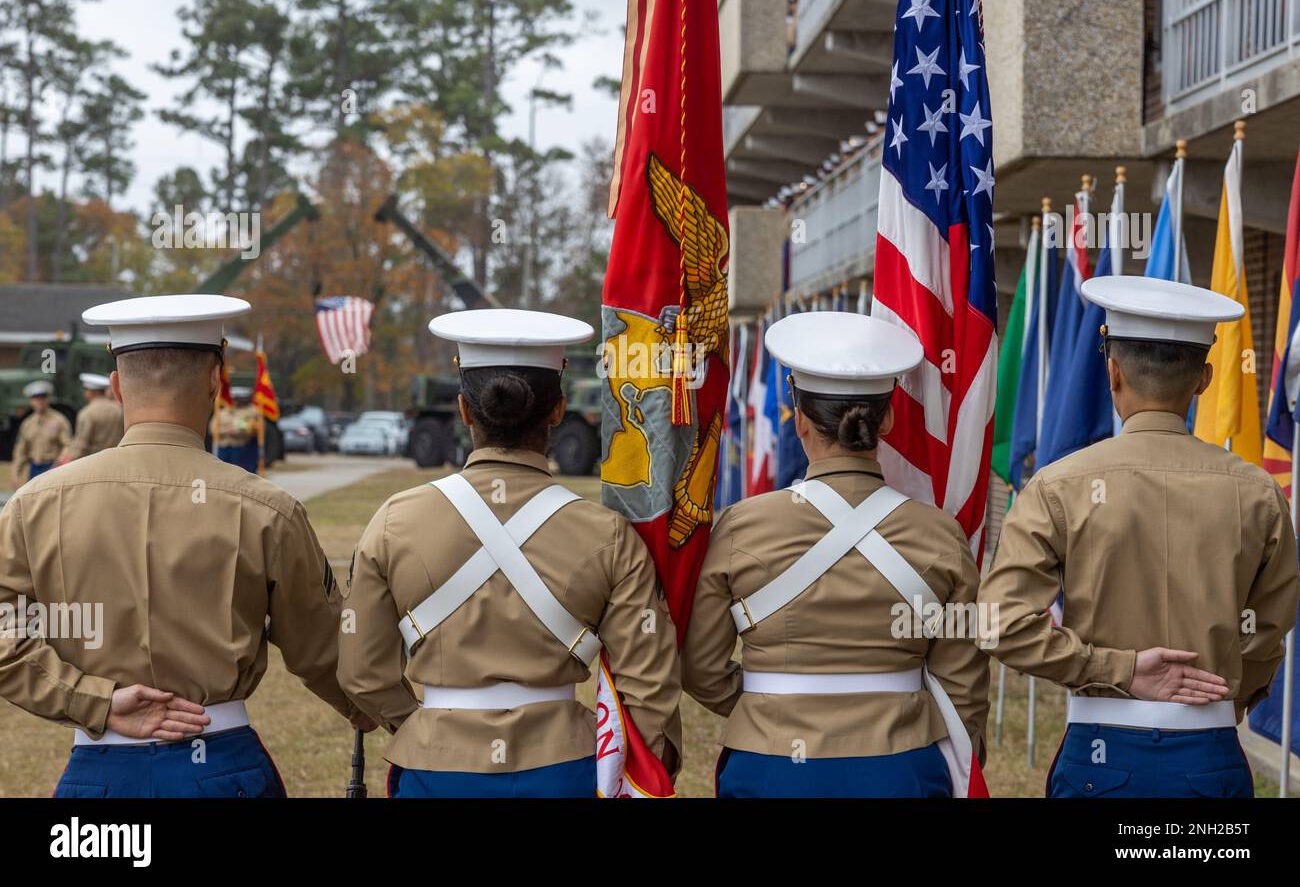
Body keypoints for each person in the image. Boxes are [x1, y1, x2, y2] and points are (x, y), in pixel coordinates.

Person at [0, 294, 369, 798]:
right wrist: (398, 715)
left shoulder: (33, 504)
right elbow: (325, 650)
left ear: (115, 387)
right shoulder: (266, 507)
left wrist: (96, 701)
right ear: (216, 382)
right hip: (222, 764)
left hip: (99, 773)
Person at [338, 308, 682, 797]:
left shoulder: (395, 520)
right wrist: (643, 766)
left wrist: (418, 728)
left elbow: (361, 672)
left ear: (463, 409)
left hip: (436, 770)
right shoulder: (608, 533)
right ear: (558, 410)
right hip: (566, 766)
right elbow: (649, 681)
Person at [979, 275, 1300, 798]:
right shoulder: (1259, 492)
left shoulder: (1059, 485)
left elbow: (998, 624)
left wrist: (1116, 670)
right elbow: (1269, 629)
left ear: (1112, 371)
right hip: (1210, 752)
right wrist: (1221, 698)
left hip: (1098, 754)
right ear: (1204, 379)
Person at [682, 311, 989, 797]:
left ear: (799, 419)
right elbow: (963, 685)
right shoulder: (940, 533)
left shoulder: (743, 525)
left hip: (771, 763)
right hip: (901, 765)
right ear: (886, 418)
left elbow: (700, 666)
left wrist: (771, 703)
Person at [11, 380, 70, 486]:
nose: (40, 401)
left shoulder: (59, 420)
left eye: (43, 398)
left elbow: (67, 445)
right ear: (30, 401)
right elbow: (21, 450)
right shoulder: (27, 424)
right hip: (34, 468)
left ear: (48, 399)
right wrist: (16, 472)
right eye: (36, 398)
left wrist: (60, 462)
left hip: (52, 467)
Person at [61, 372, 124, 462]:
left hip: (92, 462)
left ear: (91, 392)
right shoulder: (118, 410)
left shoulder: (87, 413)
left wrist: (70, 461)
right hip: (115, 460)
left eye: (85, 390)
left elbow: (81, 446)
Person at [216, 386, 261, 473]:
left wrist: (238, 431)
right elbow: (213, 429)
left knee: (241, 472)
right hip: (224, 446)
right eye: (234, 398)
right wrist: (226, 431)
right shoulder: (222, 412)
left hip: (241, 446)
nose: (236, 401)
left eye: (238, 398)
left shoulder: (252, 411)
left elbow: (254, 429)